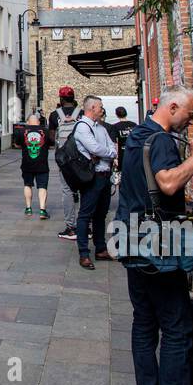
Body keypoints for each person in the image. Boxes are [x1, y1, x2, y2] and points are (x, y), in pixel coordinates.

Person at [112, 87, 193, 385]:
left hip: (131, 236)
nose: (190, 121)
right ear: (173, 107)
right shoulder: (163, 140)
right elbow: (167, 182)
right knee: (175, 327)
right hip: (158, 244)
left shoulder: (137, 135)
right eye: (190, 115)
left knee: (143, 323)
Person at [73, 95, 117, 269]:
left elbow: (110, 146)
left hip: (105, 175)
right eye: (100, 107)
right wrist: (110, 153)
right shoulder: (82, 127)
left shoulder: (101, 127)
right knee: (85, 214)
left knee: (101, 214)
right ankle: (84, 253)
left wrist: (108, 152)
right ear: (92, 108)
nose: (102, 109)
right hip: (92, 177)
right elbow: (95, 148)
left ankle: (100, 248)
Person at [48, 87, 87, 240]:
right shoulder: (82, 114)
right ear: (73, 98)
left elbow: (52, 137)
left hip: (64, 159)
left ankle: (71, 227)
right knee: (84, 190)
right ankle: (86, 226)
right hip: (81, 157)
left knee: (67, 191)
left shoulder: (54, 115)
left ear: (61, 99)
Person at [21, 113, 51, 219]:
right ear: (38, 122)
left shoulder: (22, 131)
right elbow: (51, 143)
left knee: (27, 184)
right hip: (42, 164)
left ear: (28, 122)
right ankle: (42, 210)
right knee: (42, 186)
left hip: (27, 164)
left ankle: (28, 208)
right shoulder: (45, 131)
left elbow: (17, 144)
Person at [109, 105, 137, 173]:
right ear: (126, 113)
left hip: (122, 154)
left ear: (117, 115)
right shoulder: (134, 125)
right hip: (134, 152)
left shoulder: (115, 126)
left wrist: (116, 157)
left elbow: (115, 143)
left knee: (123, 173)